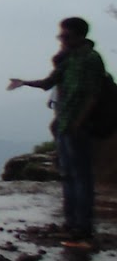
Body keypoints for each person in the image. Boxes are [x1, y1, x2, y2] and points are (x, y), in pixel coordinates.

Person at [9, 17, 105, 249]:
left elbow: (93, 94)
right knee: (69, 176)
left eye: (65, 36)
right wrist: (23, 83)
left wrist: (78, 122)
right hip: (63, 124)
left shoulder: (91, 60)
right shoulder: (68, 59)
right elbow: (48, 83)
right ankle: (72, 225)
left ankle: (83, 230)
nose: (61, 40)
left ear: (79, 36)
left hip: (78, 128)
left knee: (81, 177)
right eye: (61, 36)